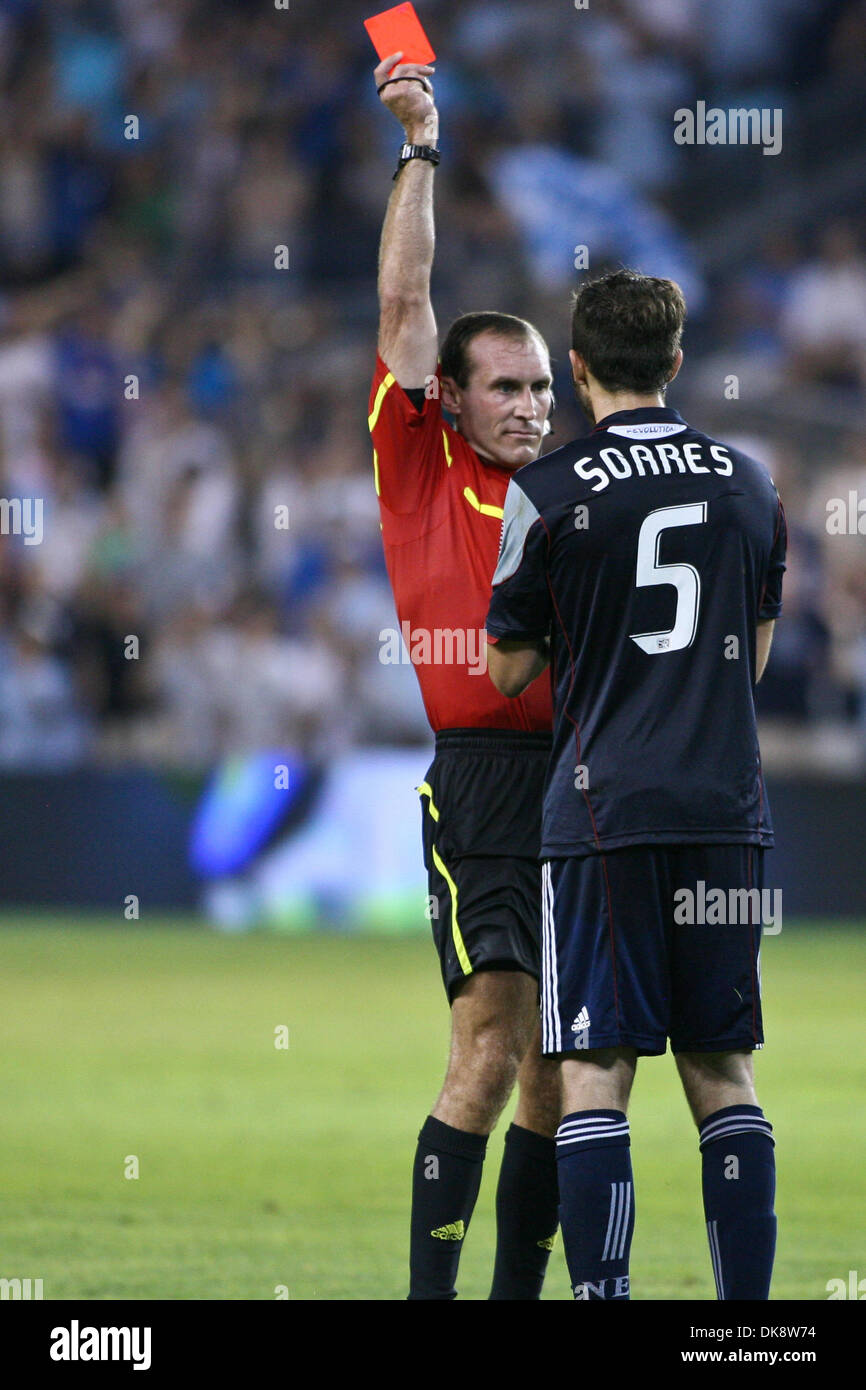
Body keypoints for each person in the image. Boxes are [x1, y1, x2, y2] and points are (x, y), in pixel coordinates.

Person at [486, 268, 786, 1301]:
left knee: (593, 1073)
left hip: (602, 811)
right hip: (723, 812)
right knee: (723, 1071)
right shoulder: (749, 482)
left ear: (575, 369)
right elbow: (751, 659)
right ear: (675, 361)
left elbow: (508, 668)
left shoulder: (547, 490)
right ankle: (744, 1330)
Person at [369, 51, 562, 1300]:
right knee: (487, 1051)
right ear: (453, 393)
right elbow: (404, 300)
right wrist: (421, 146)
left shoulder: (573, 496)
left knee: (555, 1073)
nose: (529, 406)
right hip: (485, 783)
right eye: (505, 385)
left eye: (541, 387)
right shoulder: (423, 465)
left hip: (580, 783)